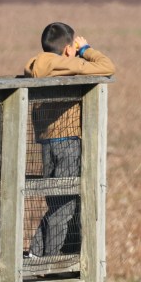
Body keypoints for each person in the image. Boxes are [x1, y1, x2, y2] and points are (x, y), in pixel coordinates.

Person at [23, 22, 115, 258]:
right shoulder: (66, 64)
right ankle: (50, 259)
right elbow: (107, 66)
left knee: (56, 202)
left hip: (47, 142)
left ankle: (35, 253)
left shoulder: (35, 65)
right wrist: (85, 50)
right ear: (66, 49)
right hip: (68, 141)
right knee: (64, 206)